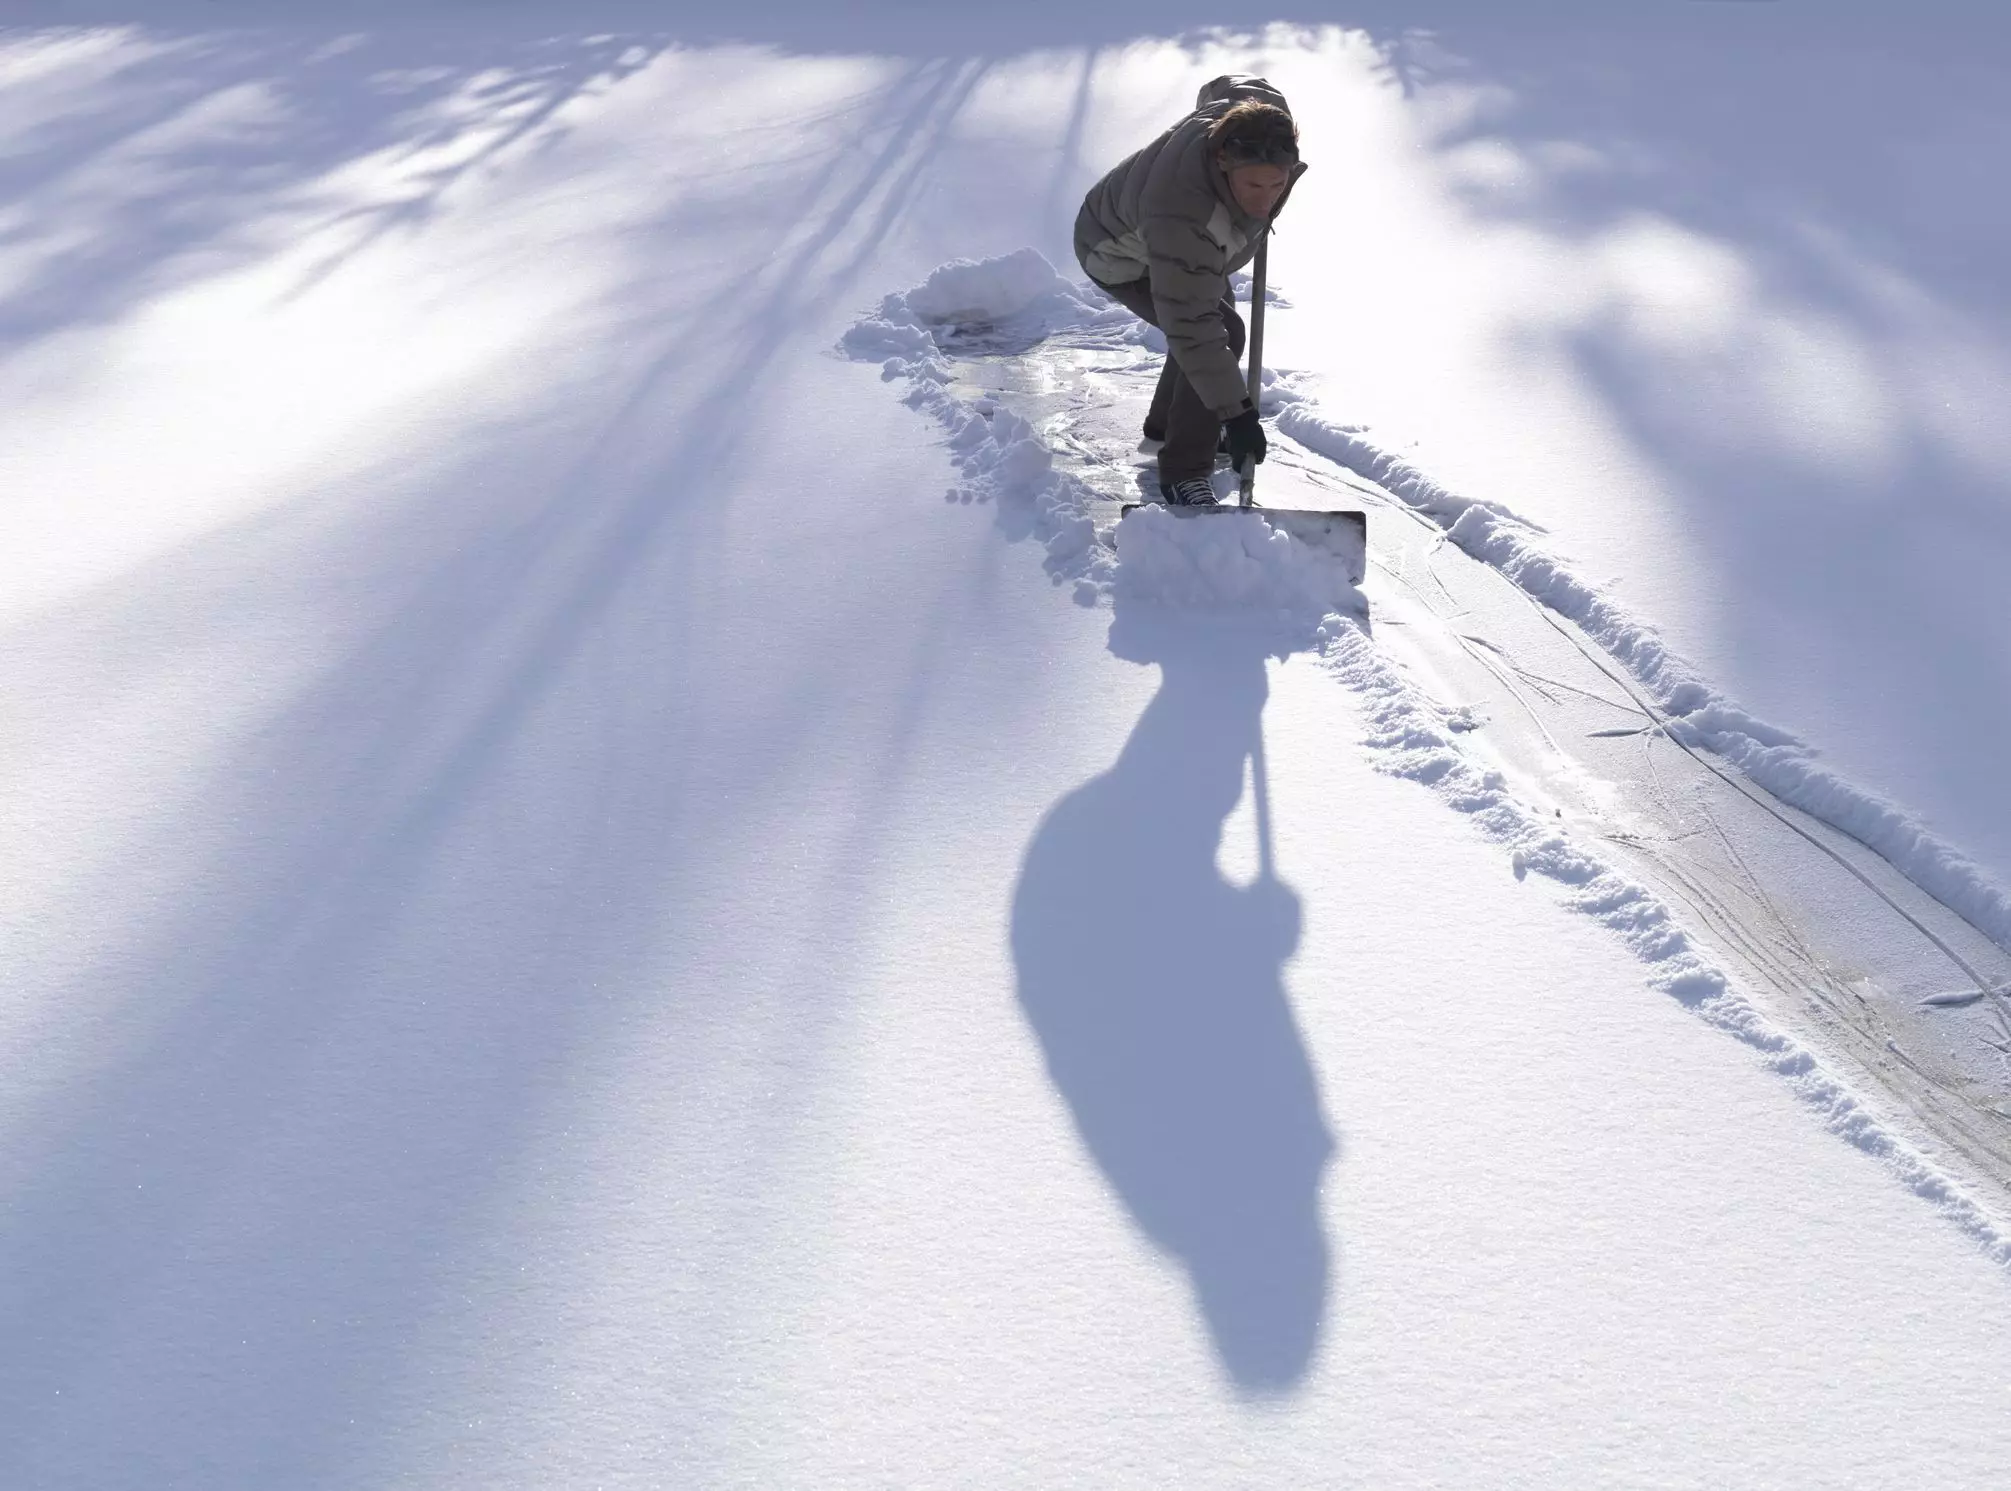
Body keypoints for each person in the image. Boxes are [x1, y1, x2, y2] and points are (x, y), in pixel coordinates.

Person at [1074, 76, 1306, 507]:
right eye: (1253, 186)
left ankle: (1166, 429)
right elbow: (1191, 324)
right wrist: (1237, 416)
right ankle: (1183, 472)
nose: (1265, 201)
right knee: (1219, 330)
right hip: (1119, 251)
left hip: (1185, 244)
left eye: (1277, 185)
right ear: (1222, 160)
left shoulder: (1261, 121)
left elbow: (1236, 85)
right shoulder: (1183, 211)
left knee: (1212, 320)